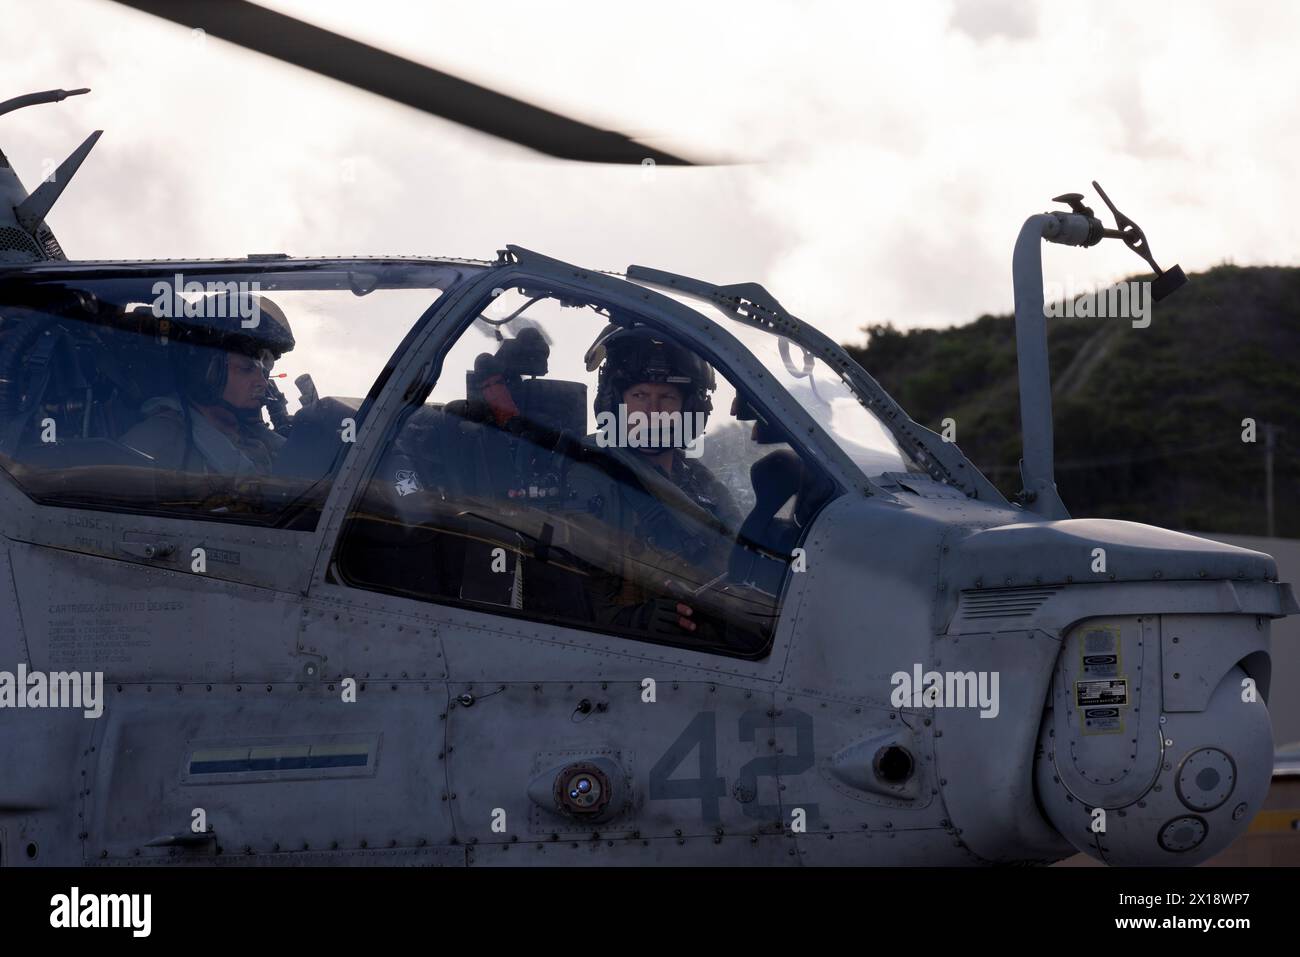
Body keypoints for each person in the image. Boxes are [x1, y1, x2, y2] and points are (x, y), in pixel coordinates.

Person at [582, 324, 741, 643]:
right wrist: (636, 621)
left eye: (666, 397)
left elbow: (740, 568)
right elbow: (559, 594)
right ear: (616, 401)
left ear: (690, 408)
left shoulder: (702, 485)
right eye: (640, 395)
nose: (652, 410)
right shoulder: (587, 472)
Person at [121, 293, 294, 479]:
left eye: (264, 370)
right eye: (246, 368)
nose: (262, 382)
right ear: (207, 371)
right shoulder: (157, 439)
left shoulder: (249, 433)